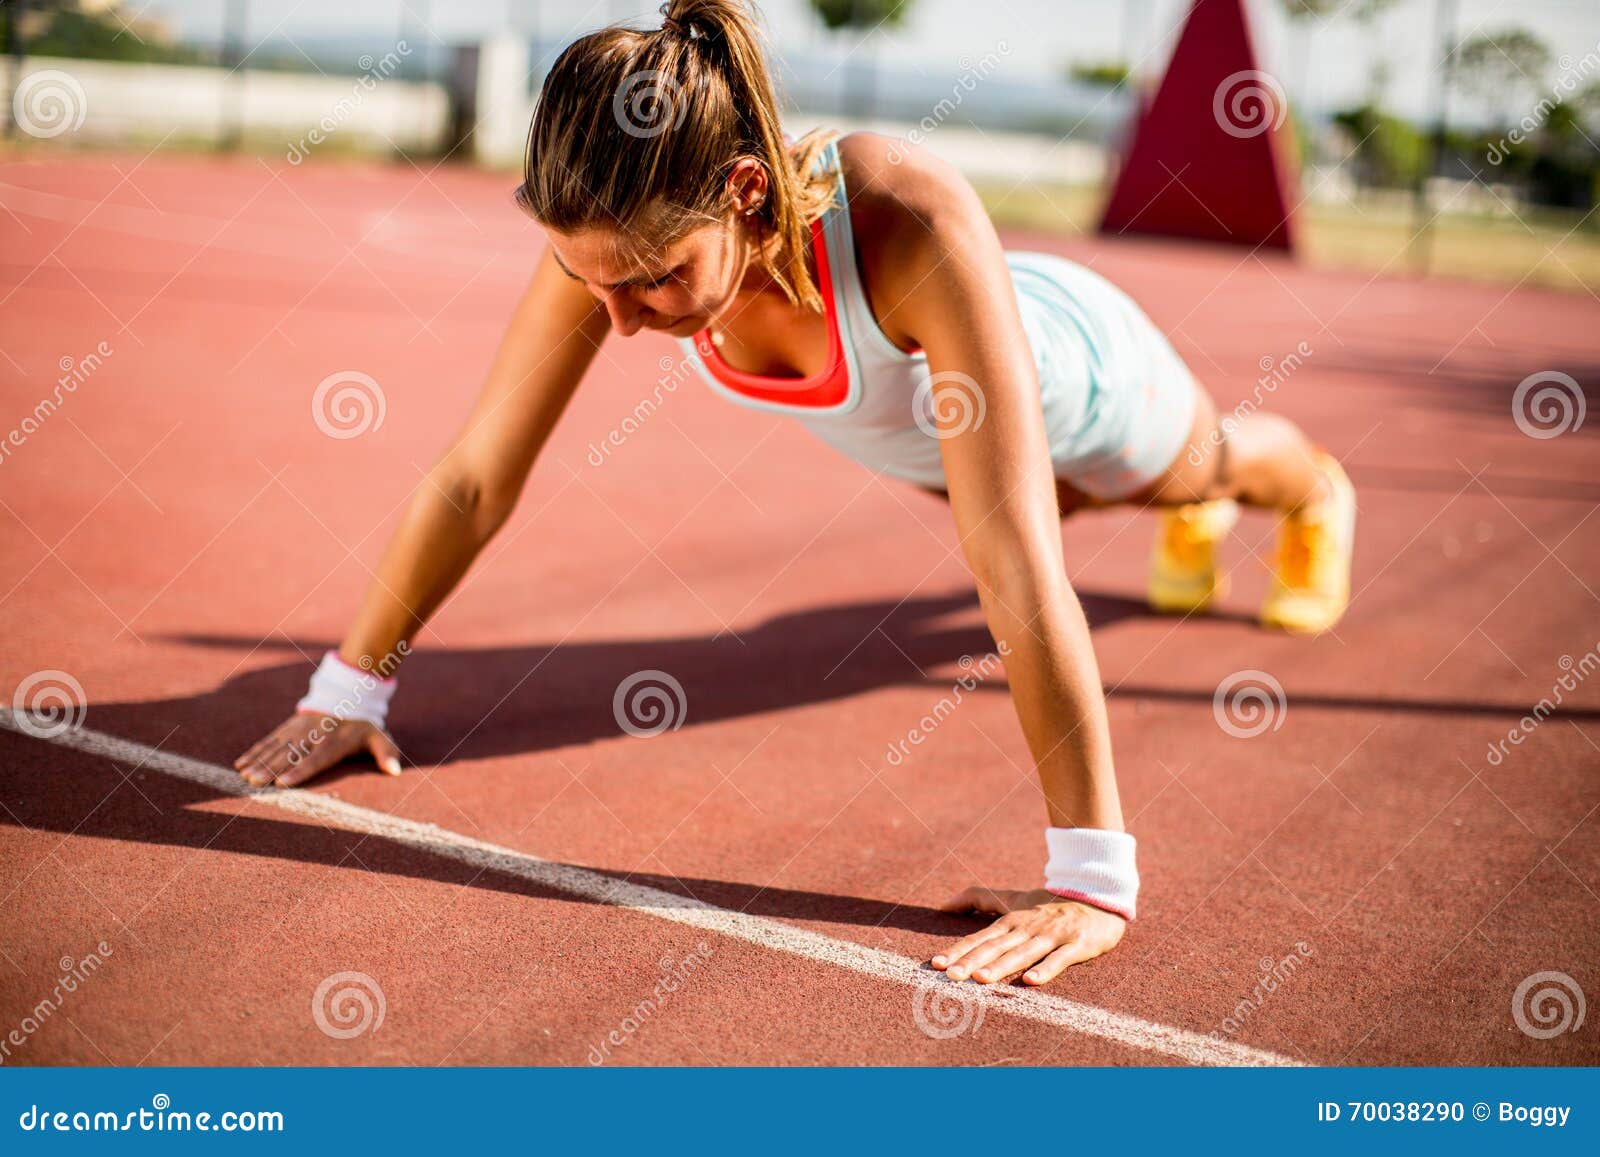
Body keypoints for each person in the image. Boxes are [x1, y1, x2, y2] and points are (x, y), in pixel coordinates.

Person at [234, 0, 1355, 987]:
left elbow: (1011, 566)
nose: (617, 320)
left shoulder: (902, 215)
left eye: (656, 282)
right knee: (1052, 510)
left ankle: (1314, 494)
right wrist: (350, 687)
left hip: (1089, 383)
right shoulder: (614, 232)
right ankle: (1185, 513)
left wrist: (1092, 875)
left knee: (1190, 473)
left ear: (747, 190)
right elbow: (479, 474)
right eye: (591, 282)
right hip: (925, 440)